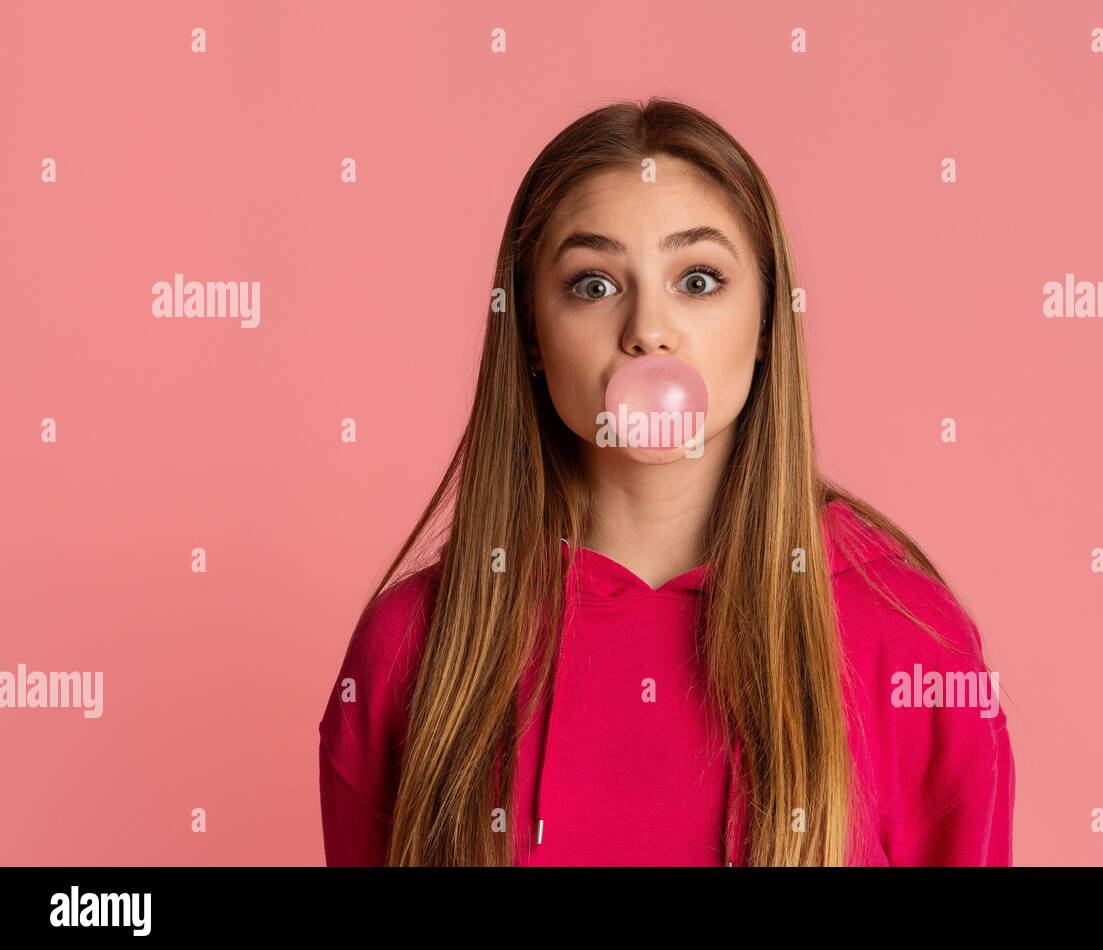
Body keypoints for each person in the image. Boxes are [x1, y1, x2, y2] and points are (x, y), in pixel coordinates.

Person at [318, 97, 1014, 867]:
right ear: (532, 337)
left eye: (699, 279)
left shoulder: (912, 643)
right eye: (593, 284)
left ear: (764, 324)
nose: (648, 328)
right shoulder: (413, 651)